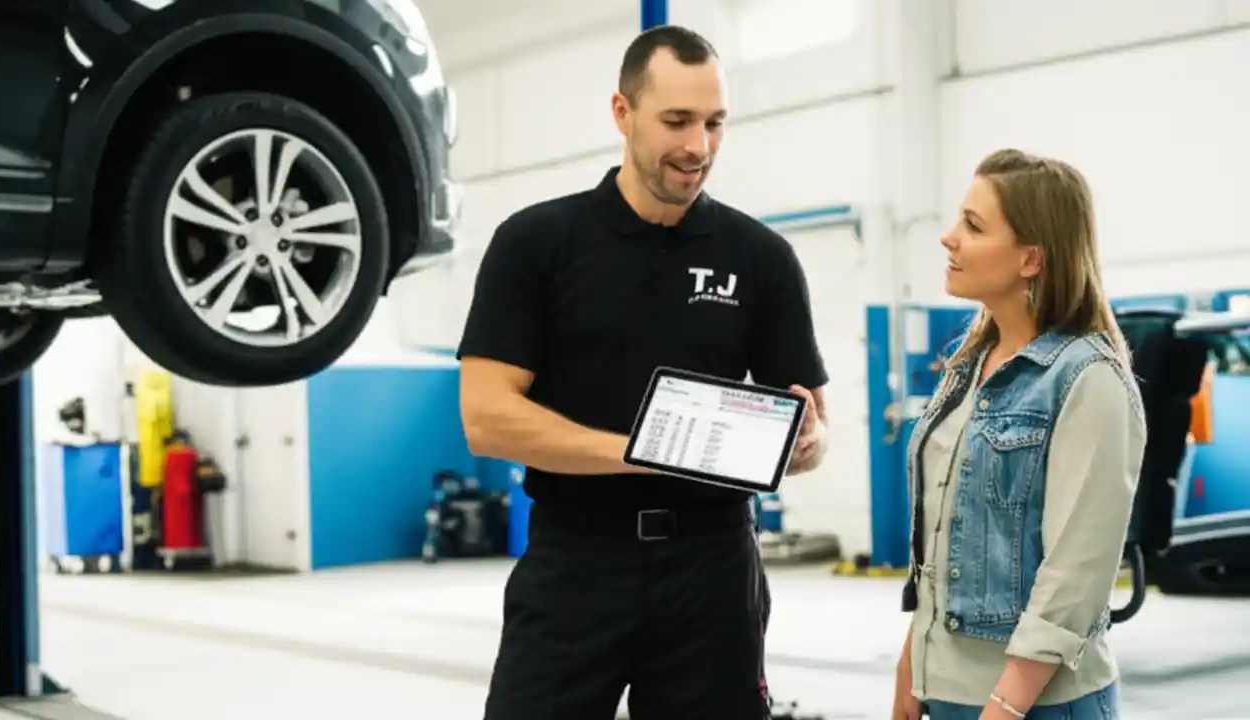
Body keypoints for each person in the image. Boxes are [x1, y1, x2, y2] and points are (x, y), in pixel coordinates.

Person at [457, 24, 828, 720]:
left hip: (713, 569)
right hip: (575, 561)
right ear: (622, 113)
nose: (699, 147)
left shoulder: (761, 258)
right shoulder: (536, 245)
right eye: (677, 121)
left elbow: (812, 430)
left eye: (716, 123)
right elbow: (486, 416)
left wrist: (806, 443)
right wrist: (644, 453)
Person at [890, 149, 1147, 720]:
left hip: (1034, 703)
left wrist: (1005, 705)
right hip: (946, 693)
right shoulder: (968, 364)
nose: (948, 239)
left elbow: (1075, 575)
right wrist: (912, 667)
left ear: (1031, 258)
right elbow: (940, 539)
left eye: (973, 226)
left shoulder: (1087, 379)